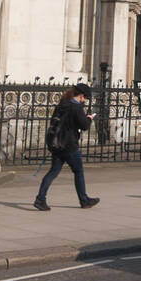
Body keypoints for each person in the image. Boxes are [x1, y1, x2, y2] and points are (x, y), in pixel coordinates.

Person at [35, 83, 98, 211]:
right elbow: (84, 125)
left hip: (57, 144)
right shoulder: (76, 107)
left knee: (53, 172)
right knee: (78, 171)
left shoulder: (62, 104)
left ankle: (40, 199)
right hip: (69, 145)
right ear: (81, 96)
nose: (84, 101)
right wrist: (90, 118)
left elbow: (53, 121)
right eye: (85, 98)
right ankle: (84, 200)